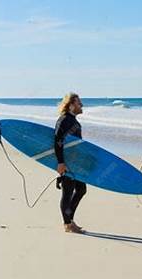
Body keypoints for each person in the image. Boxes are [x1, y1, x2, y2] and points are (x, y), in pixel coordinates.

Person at [54, 92, 87, 233]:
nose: (82, 105)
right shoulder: (64, 120)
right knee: (67, 192)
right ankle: (67, 224)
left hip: (74, 163)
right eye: (79, 103)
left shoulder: (73, 121)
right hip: (67, 163)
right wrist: (61, 162)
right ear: (72, 105)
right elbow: (57, 141)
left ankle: (70, 220)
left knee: (81, 189)